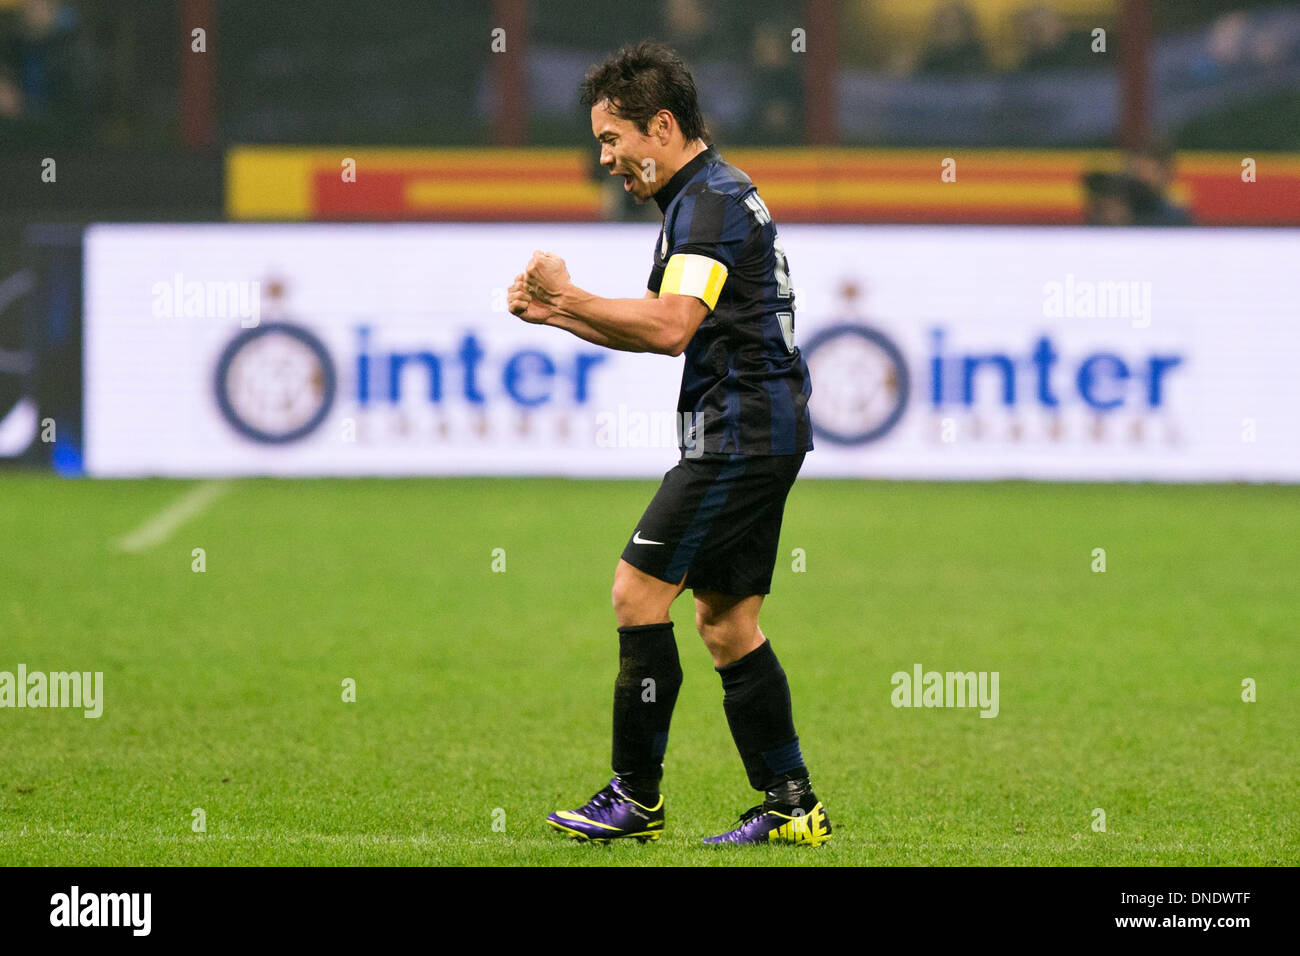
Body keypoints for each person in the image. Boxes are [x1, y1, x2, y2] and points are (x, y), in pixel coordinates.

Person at [507, 40, 829, 847]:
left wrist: (570, 293)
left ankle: (634, 796)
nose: (607, 160)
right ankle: (793, 804)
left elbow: (670, 326)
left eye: (613, 140)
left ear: (660, 124)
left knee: (636, 591)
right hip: (761, 426)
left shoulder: (708, 203)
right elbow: (666, 329)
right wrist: (562, 315)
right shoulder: (702, 196)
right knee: (726, 621)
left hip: (742, 432)